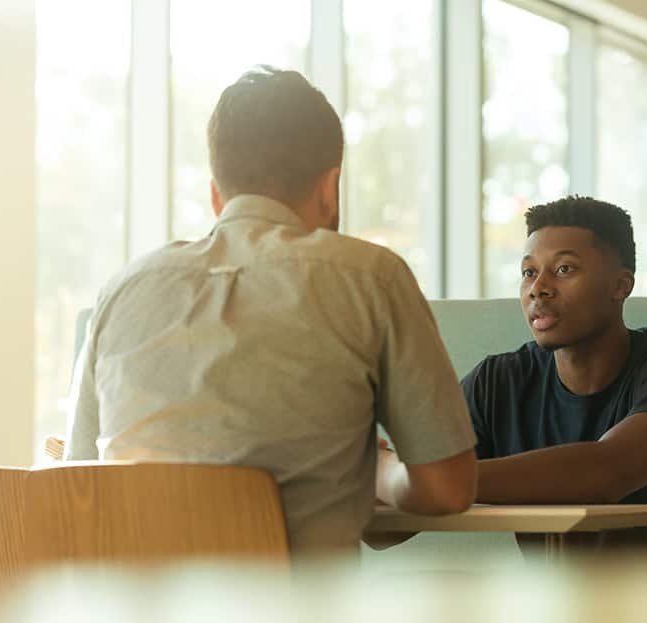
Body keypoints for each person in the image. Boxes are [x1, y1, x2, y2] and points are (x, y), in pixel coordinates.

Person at [63, 66, 477, 554]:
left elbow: (77, 483)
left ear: (217, 194)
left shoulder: (121, 291)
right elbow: (447, 489)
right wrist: (381, 472)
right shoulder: (371, 278)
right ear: (331, 188)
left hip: (133, 622)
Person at [460, 195, 647, 547]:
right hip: (548, 600)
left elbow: (605, 472)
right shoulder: (497, 383)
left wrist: (426, 481)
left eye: (563, 269)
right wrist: (387, 476)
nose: (538, 289)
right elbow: (387, 531)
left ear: (620, 285)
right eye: (529, 272)